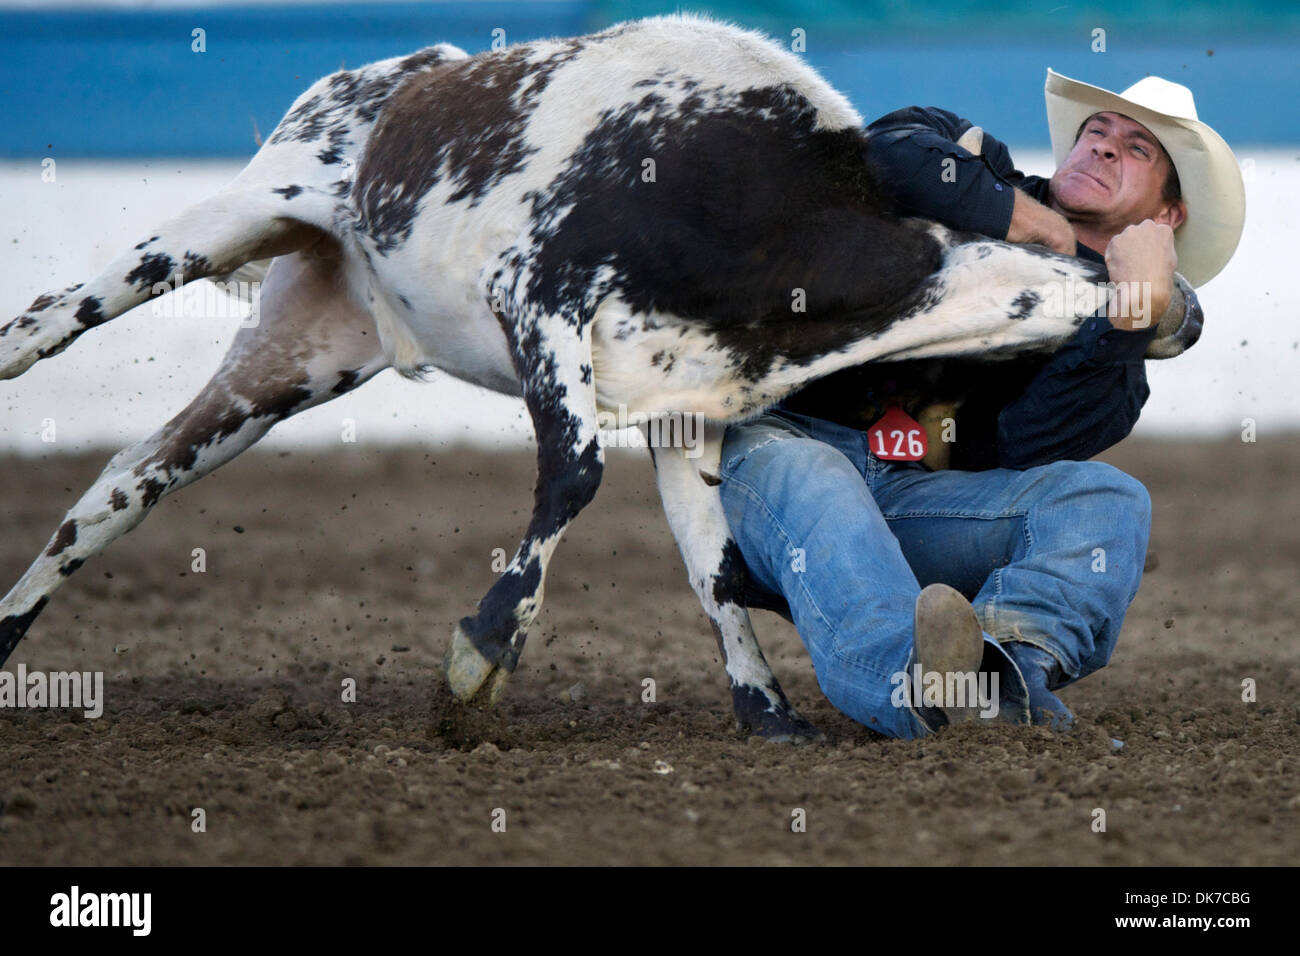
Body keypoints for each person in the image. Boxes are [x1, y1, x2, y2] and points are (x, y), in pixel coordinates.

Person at [717, 70, 1246, 739]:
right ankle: (919, 687)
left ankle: (1002, 678)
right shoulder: (971, 157)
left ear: (1167, 218)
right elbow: (883, 155)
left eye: (1138, 149)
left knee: (1107, 499)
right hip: (781, 456)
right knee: (814, 471)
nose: (1105, 146)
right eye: (1097, 131)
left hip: (912, 503)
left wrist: (1130, 311)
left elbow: (1017, 446)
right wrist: (1028, 220)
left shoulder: (1120, 365)